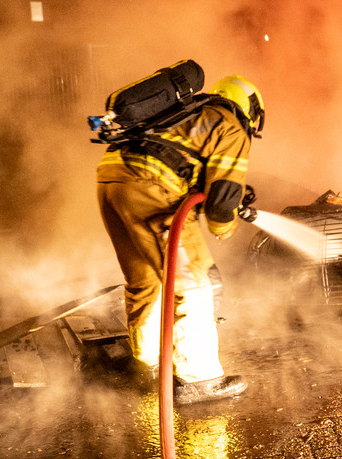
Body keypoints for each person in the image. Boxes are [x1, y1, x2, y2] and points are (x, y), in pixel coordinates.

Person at [96, 74, 264, 404]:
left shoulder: (185, 114)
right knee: (196, 280)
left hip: (111, 180)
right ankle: (199, 379)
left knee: (145, 280)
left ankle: (149, 365)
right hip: (149, 186)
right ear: (251, 110)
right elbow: (221, 199)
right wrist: (224, 226)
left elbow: (182, 165)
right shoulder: (230, 123)